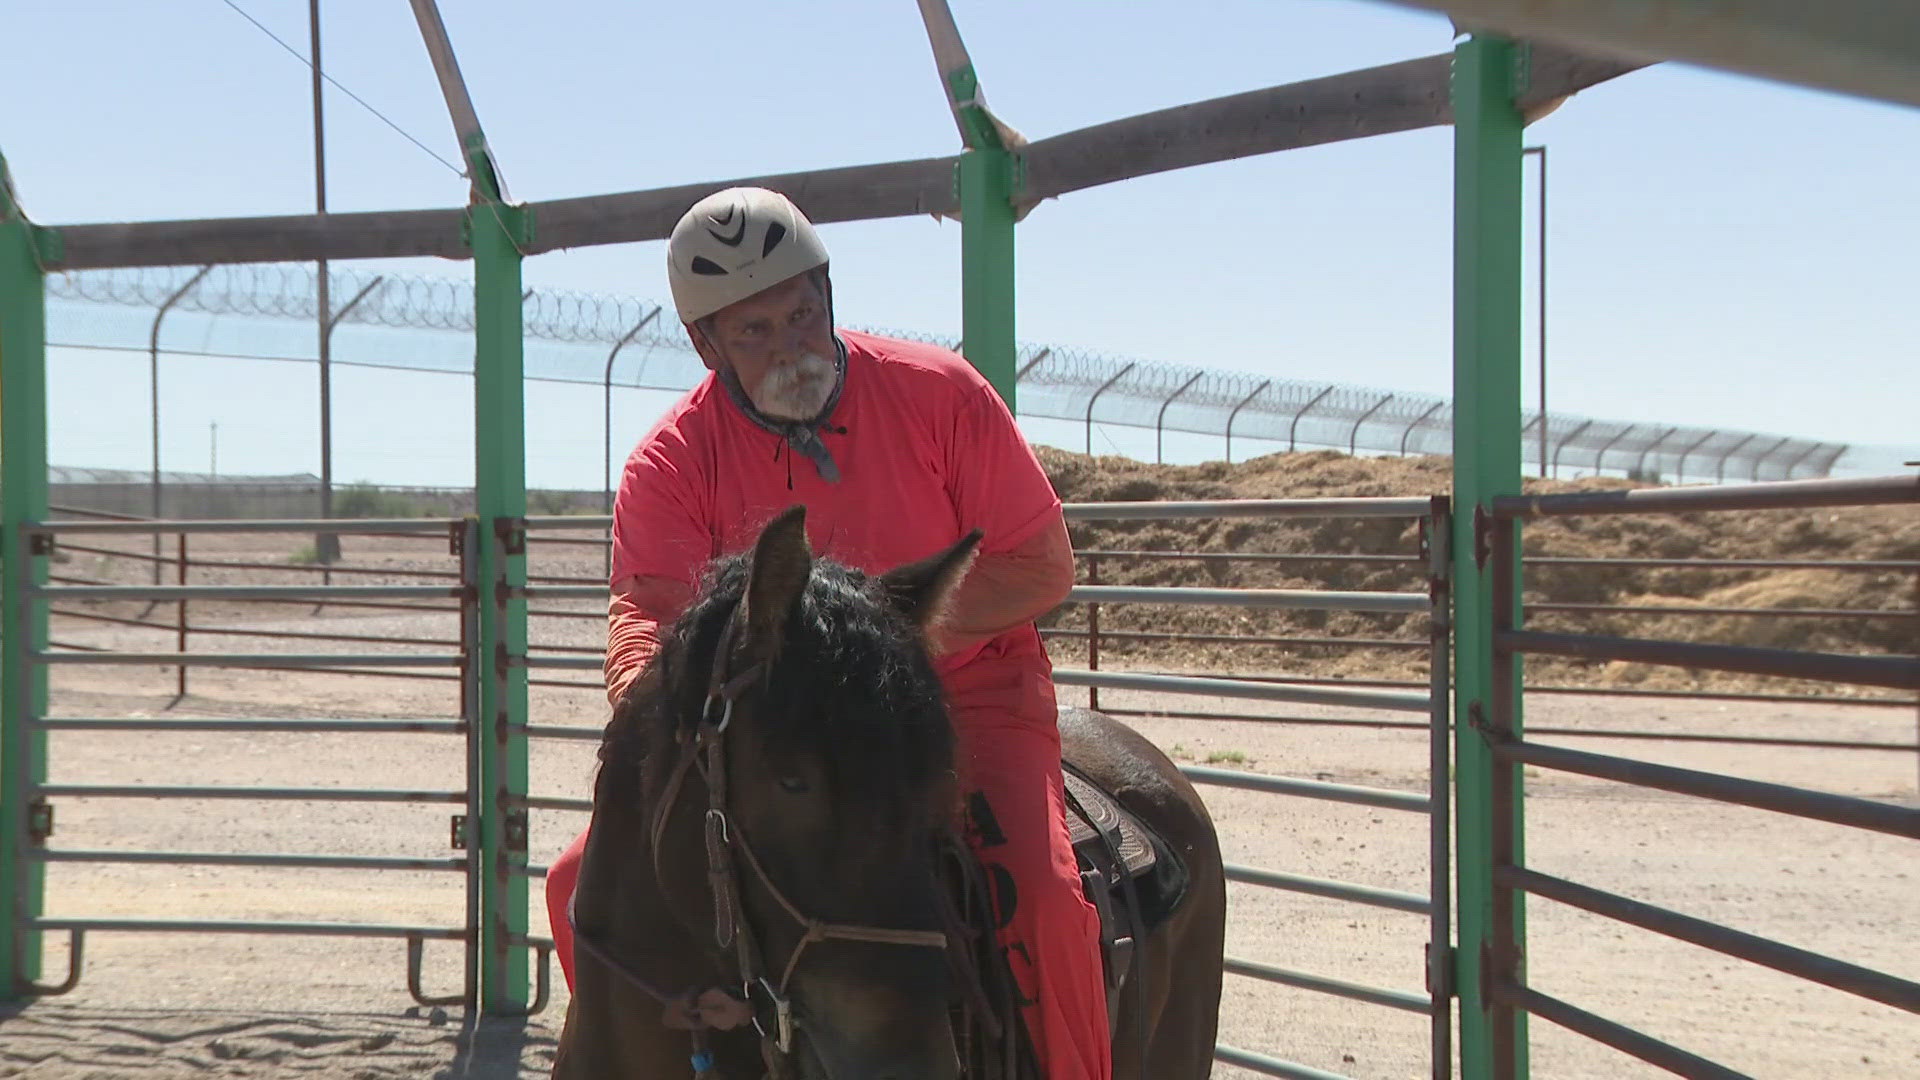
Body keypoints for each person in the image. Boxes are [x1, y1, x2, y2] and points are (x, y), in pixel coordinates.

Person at [543, 187, 1110, 1078]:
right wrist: (666, 704)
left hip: (962, 701)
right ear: (708, 345)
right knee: (582, 880)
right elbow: (647, 616)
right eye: (754, 331)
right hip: (773, 730)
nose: (790, 344)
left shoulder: (941, 396)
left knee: (1040, 898)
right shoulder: (671, 461)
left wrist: (875, 655)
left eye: (801, 314)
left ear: (829, 297)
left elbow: (1041, 567)